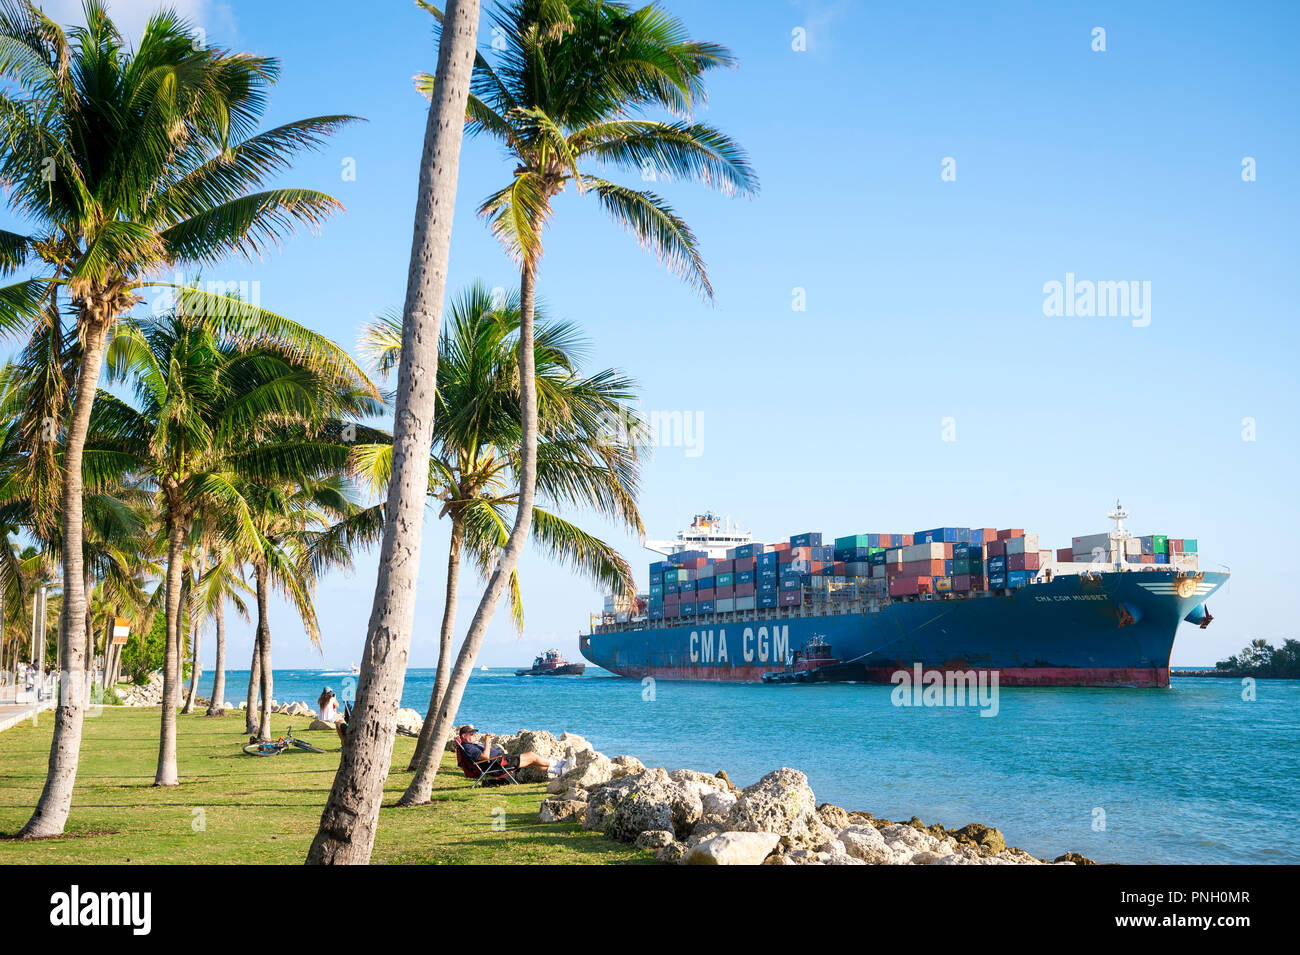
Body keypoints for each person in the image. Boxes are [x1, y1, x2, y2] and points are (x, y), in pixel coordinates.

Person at [456, 724, 573, 780]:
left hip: (499, 762)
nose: (474, 735)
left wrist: (484, 742)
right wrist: (487, 741)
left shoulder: (470, 745)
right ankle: (560, 764)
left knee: (531, 762)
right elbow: (485, 756)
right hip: (498, 765)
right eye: (472, 734)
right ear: (464, 736)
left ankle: (559, 771)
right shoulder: (468, 747)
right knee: (532, 756)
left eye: (474, 733)